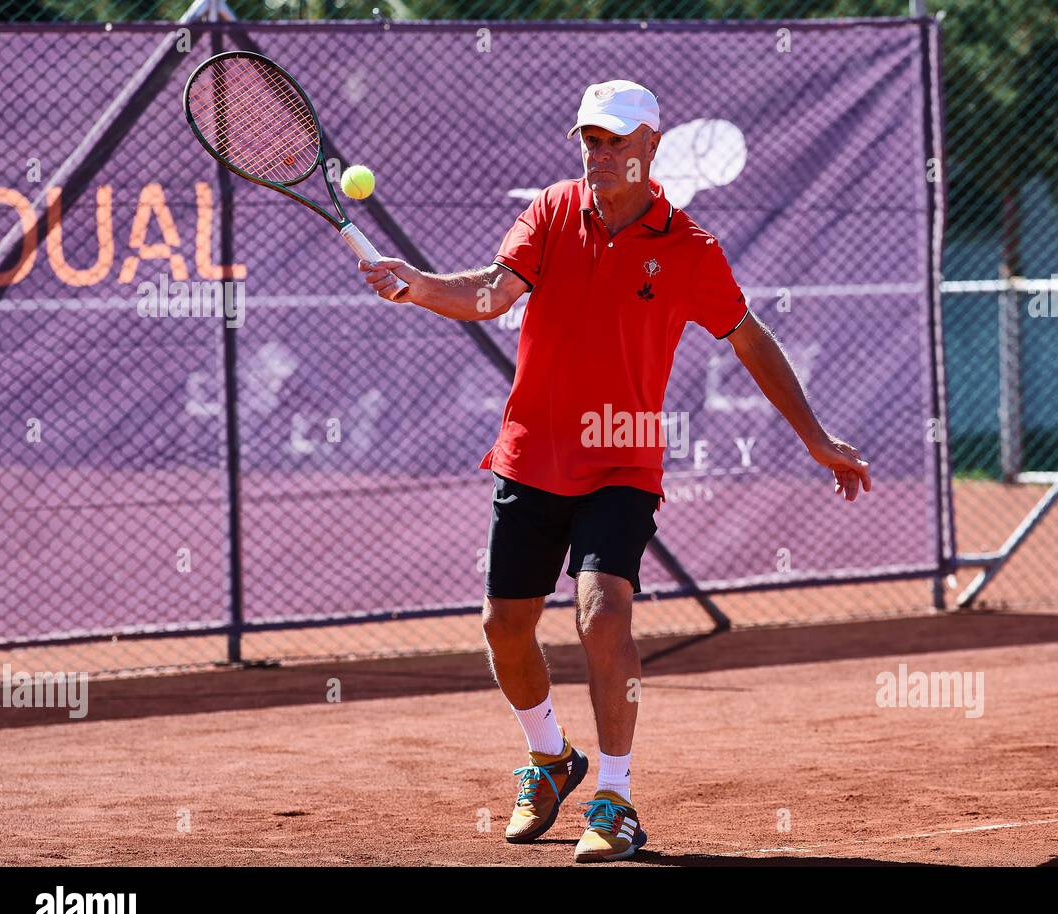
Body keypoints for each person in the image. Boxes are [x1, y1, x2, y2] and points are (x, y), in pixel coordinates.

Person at [360, 79, 871, 863]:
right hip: (531, 453)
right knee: (504, 629)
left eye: (615, 143)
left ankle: (617, 797)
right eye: (590, 142)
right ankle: (549, 758)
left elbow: (750, 339)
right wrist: (418, 285)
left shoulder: (691, 249)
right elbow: (494, 294)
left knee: (601, 615)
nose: (599, 157)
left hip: (622, 458)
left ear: (651, 149)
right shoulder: (553, 210)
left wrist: (816, 437)